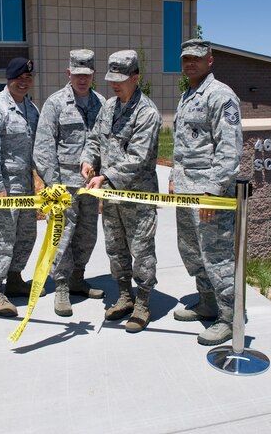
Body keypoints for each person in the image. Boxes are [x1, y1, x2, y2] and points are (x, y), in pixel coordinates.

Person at [80, 50, 161, 333]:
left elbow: (138, 159)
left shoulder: (147, 112)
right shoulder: (109, 106)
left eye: (120, 79)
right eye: (111, 79)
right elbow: (94, 138)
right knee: (115, 249)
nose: (114, 84)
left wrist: (105, 177)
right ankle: (125, 295)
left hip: (137, 198)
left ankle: (144, 303)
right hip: (112, 198)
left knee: (141, 251)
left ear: (135, 78)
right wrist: (88, 159)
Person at [169, 39, 243, 346]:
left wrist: (213, 191)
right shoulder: (187, 96)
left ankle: (228, 317)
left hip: (209, 195)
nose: (190, 63)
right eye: (186, 58)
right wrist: (174, 176)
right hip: (187, 193)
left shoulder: (220, 95)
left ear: (210, 60)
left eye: (196, 59)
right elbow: (184, 145)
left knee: (218, 257)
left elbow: (229, 149)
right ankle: (208, 303)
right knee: (193, 253)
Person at [34, 50, 106, 317]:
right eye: (77, 74)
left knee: (87, 233)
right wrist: (52, 184)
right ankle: (61, 285)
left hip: (90, 185)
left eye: (87, 74)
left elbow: (105, 143)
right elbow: (43, 147)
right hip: (63, 184)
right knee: (63, 234)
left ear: (93, 75)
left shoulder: (102, 103)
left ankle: (78, 277)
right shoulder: (55, 104)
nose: (82, 79)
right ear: (68, 73)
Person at [0, 57, 42, 317]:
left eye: (28, 78)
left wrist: (41, 179)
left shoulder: (32, 109)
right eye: (19, 78)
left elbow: (38, 147)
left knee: (26, 235)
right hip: (3, 186)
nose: (24, 82)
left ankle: (15, 279)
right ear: (8, 78)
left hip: (25, 184)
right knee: (2, 237)